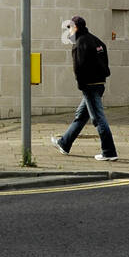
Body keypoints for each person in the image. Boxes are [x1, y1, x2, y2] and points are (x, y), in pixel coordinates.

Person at [51, 15, 118, 161]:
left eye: (70, 28)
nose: (68, 32)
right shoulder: (95, 40)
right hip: (99, 84)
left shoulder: (80, 43)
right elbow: (104, 55)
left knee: (98, 119)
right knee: (81, 115)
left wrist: (81, 85)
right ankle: (64, 143)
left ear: (76, 28)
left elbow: (78, 67)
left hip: (89, 86)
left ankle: (109, 152)